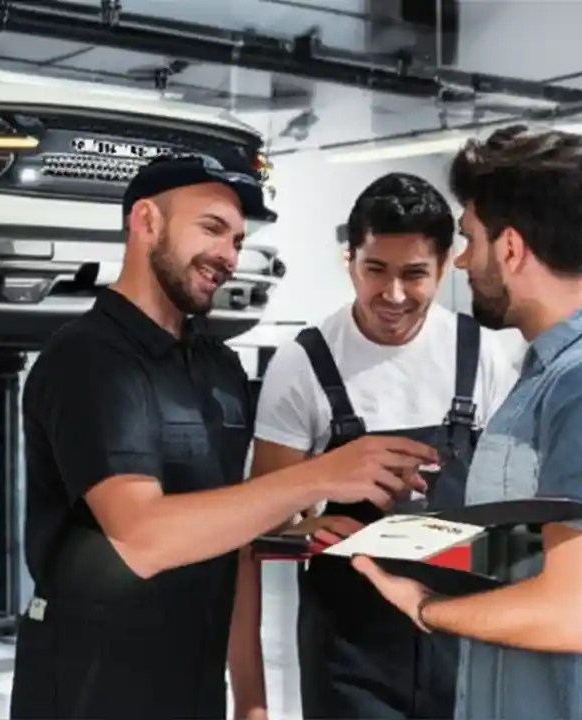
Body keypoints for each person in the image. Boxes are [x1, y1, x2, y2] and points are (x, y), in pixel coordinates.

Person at [7, 152, 439, 720]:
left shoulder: (219, 370)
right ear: (146, 222)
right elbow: (143, 537)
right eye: (211, 228)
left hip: (195, 686)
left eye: (237, 239)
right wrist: (322, 474)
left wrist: (253, 699)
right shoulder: (89, 359)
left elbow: (235, 546)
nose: (228, 255)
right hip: (89, 688)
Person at [353, 125, 582, 720]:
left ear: (511, 249)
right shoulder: (544, 372)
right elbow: (537, 550)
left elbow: (579, 613)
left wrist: (423, 606)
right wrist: (412, 537)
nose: (466, 263)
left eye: (471, 241)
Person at [228, 173, 519, 720]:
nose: (393, 295)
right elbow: (258, 531)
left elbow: (513, 515)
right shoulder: (304, 364)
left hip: (463, 644)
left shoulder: (480, 354)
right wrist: (297, 530)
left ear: (445, 264)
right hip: (348, 662)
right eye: (374, 270)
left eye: (415, 275)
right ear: (350, 260)